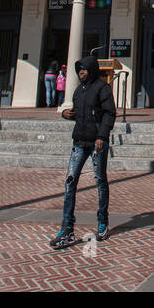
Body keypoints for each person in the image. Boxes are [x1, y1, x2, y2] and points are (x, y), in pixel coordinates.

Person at [51, 55, 115, 248]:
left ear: (92, 70)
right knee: (70, 182)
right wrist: (66, 114)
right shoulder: (79, 91)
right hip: (79, 141)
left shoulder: (103, 88)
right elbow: (82, 114)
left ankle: (102, 221)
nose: (81, 73)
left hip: (96, 143)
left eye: (84, 69)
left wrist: (102, 136)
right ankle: (67, 228)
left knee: (100, 181)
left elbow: (109, 113)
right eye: (79, 70)